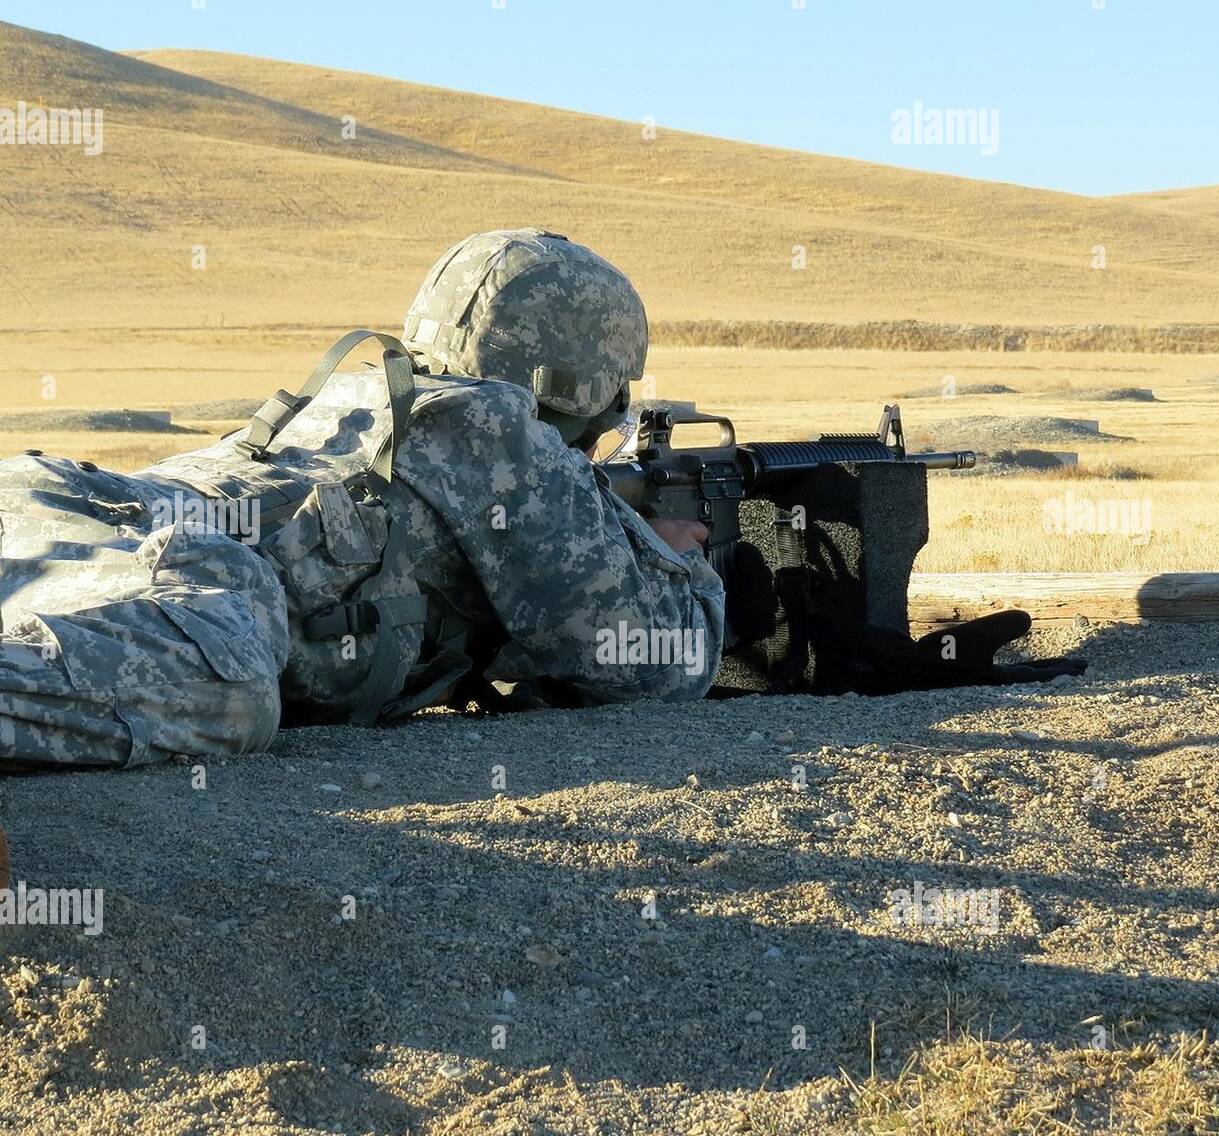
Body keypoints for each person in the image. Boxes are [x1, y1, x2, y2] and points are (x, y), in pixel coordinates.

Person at [0, 229, 725, 769]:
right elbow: (658, 666)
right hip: (181, 567)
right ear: (585, 385)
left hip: (49, 506)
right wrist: (674, 561)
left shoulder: (355, 393)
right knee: (230, 683)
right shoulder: (490, 428)